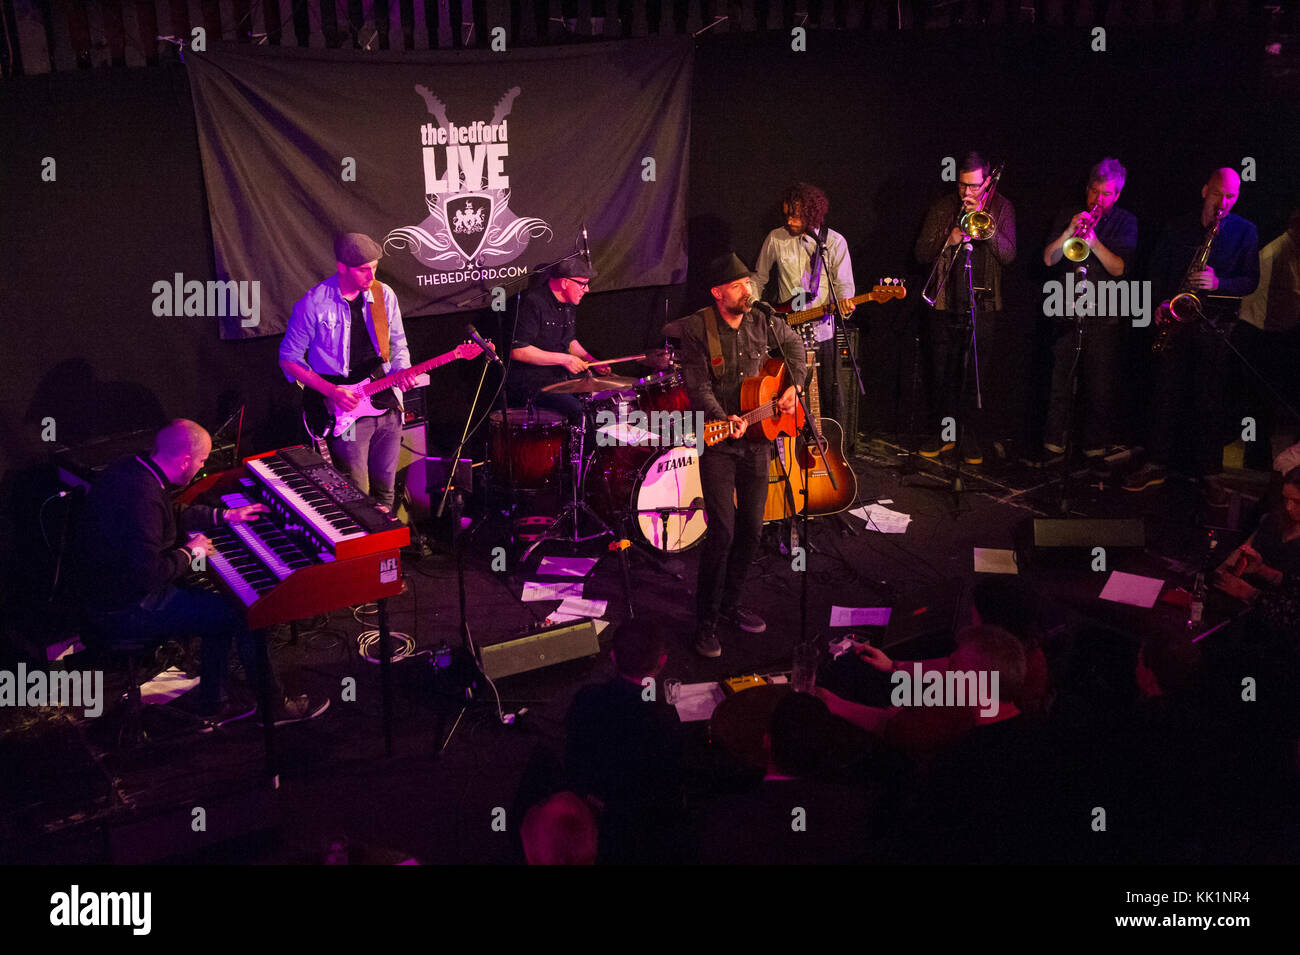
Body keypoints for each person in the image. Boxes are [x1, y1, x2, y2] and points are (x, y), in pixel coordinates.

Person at [75, 420, 328, 727]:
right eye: (201, 461)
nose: (202, 467)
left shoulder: (135, 470)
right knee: (245, 612)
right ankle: (272, 708)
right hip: (123, 606)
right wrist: (189, 553)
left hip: (105, 590)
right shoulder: (142, 497)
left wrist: (224, 515)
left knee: (222, 608)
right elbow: (149, 574)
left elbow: (168, 513)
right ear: (184, 460)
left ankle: (213, 701)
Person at [678, 253, 806, 657]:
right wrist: (722, 418)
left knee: (752, 529)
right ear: (717, 292)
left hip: (758, 442)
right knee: (724, 533)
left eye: (748, 283)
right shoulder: (698, 329)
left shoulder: (763, 319)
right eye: (737, 285)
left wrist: (793, 389)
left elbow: (797, 349)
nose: (747, 290)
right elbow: (697, 387)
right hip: (718, 442)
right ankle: (706, 621)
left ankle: (731, 606)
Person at [1125, 168, 1259, 495]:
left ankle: (1209, 473)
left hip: (1215, 325)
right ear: (1204, 190)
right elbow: (1156, 270)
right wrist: (1160, 303)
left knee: (1209, 400)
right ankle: (1155, 463)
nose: (1223, 203)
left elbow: (1250, 281)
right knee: (1163, 395)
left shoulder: (1245, 232)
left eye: (1231, 197)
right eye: (1218, 194)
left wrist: (1219, 283)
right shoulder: (1178, 227)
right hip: (1177, 318)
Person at [279, 232, 416, 510]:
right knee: (357, 495)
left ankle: (386, 550)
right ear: (342, 267)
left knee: (386, 490)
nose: (371, 276)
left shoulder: (384, 294)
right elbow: (289, 358)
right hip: (346, 408)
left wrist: (403, 371)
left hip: (386, 401)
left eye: (375, 268)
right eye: (364, 270)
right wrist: (332, 391)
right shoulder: (314, 304)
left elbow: (398, 343)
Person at [914, 151, 1017, 465]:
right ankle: (945, 434)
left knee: (973, 373)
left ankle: (968, 436)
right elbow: (920, 253)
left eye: (973, 186)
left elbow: (1009, 255)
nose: (967, 192)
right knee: (943, 370)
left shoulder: (1002, 207)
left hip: (982, 303)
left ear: (987, 181)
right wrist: (950, 238)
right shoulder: (943, 207)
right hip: (944, 301)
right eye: (962, 185)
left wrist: (986, 229)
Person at [1039, 158, 1139, 464]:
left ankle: (1094, 451)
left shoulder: (1126, 222)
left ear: (1117, 195)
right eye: (1094, 191)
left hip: (1105, 313)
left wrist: (1093, 242)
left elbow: (1120, 268)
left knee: (1098, 388)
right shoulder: (1068, 216)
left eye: (1106, 194)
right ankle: (1053, 448)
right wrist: (1070, 228)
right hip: (1066, 308)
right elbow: (1048, 260)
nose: (1098, 199)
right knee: (1060, 384)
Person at [753, 183, 855, 419]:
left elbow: (844, 289)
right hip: (786, 332)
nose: (789, 221)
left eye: (796, 216)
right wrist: (755, 312)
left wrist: (846, 307)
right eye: (787, 214)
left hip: (822, 332)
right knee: (787, 401)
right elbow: (758, 278)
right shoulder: (775, 238)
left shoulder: (834, 242)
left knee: (829, 400)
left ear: (811, 215)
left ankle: (830, 450)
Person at [507, 259, 609, 425]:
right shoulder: (531, 302)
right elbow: (518, 350)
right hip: (532, 383)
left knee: (602, 401)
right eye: (583, 284)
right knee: (577, 411)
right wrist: (565, 359)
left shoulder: (569, 303)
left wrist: (591, 360)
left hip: (559, 378)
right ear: (564, 283)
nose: (587, 289)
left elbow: (568, 341)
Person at [1236, 207, 1300, 471]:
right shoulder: (1274, 254)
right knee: (1260, 400)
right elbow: (1258, 305)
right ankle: (1256, 458)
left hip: (1281, 332)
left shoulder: (1293, 252)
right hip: (1261, 333)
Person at [1214, 465, 1300, 602]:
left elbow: (1292, 599)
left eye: (1297, 501)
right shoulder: (1275, 519)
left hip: (1272, 608)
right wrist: (1220, 575)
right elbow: (1243, 550)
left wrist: (1250, 593)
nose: (1288, 507)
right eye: (1286, 499)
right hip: (1243, 595)